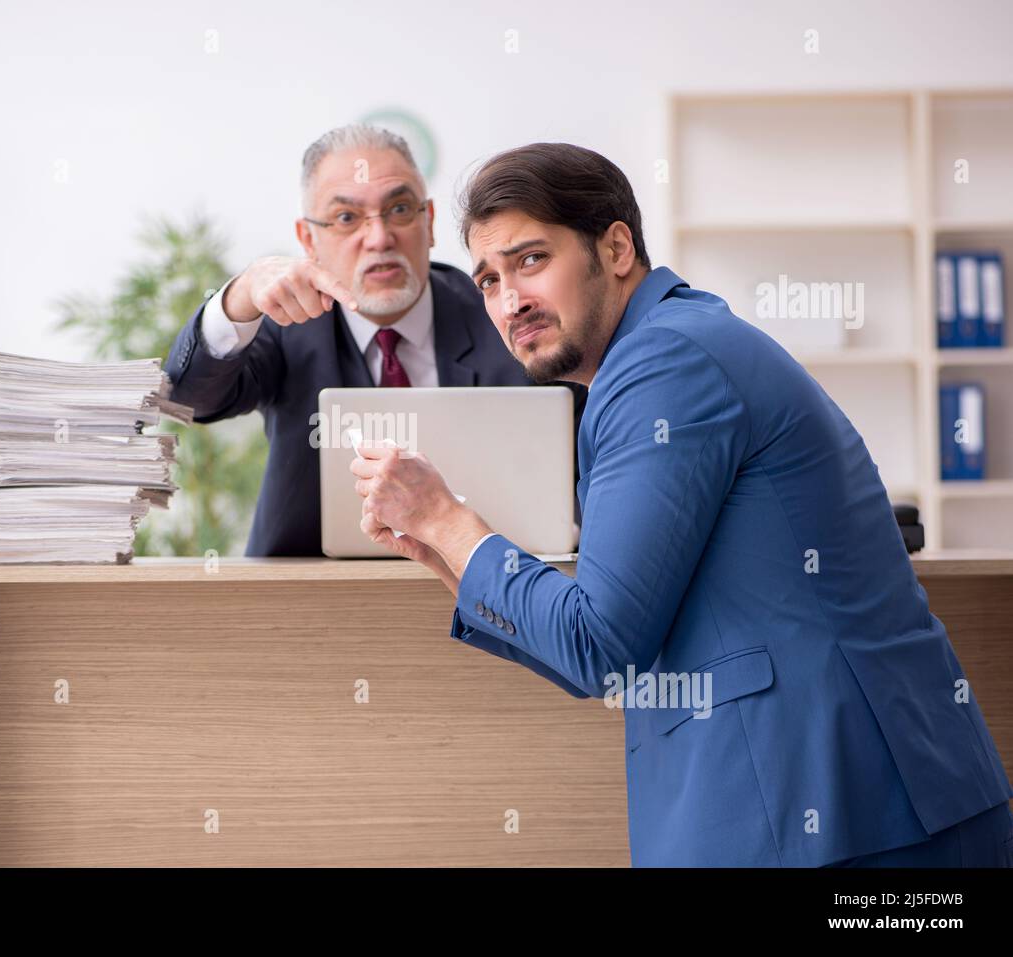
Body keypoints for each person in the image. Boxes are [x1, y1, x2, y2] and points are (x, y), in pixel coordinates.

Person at [350, 142, 1013, 867]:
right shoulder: (668, 349)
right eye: (488, 278)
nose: (510, 300)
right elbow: (606, 645)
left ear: (616, 246)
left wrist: (447, 517)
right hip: (841, 809)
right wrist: (438, 544)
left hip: (841, 815)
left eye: (531, 260)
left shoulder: (664, 364)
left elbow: (597, 643)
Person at [163, 125, 583, 556]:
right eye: (347, 218)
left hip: (490, 592)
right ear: (309, 239)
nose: (380, 238)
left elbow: (589, 470)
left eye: (400, 209)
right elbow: (188, 399)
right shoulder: (286, 322)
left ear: (430, 221)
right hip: (313, 598)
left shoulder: (508, 315)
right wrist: (238, 296)